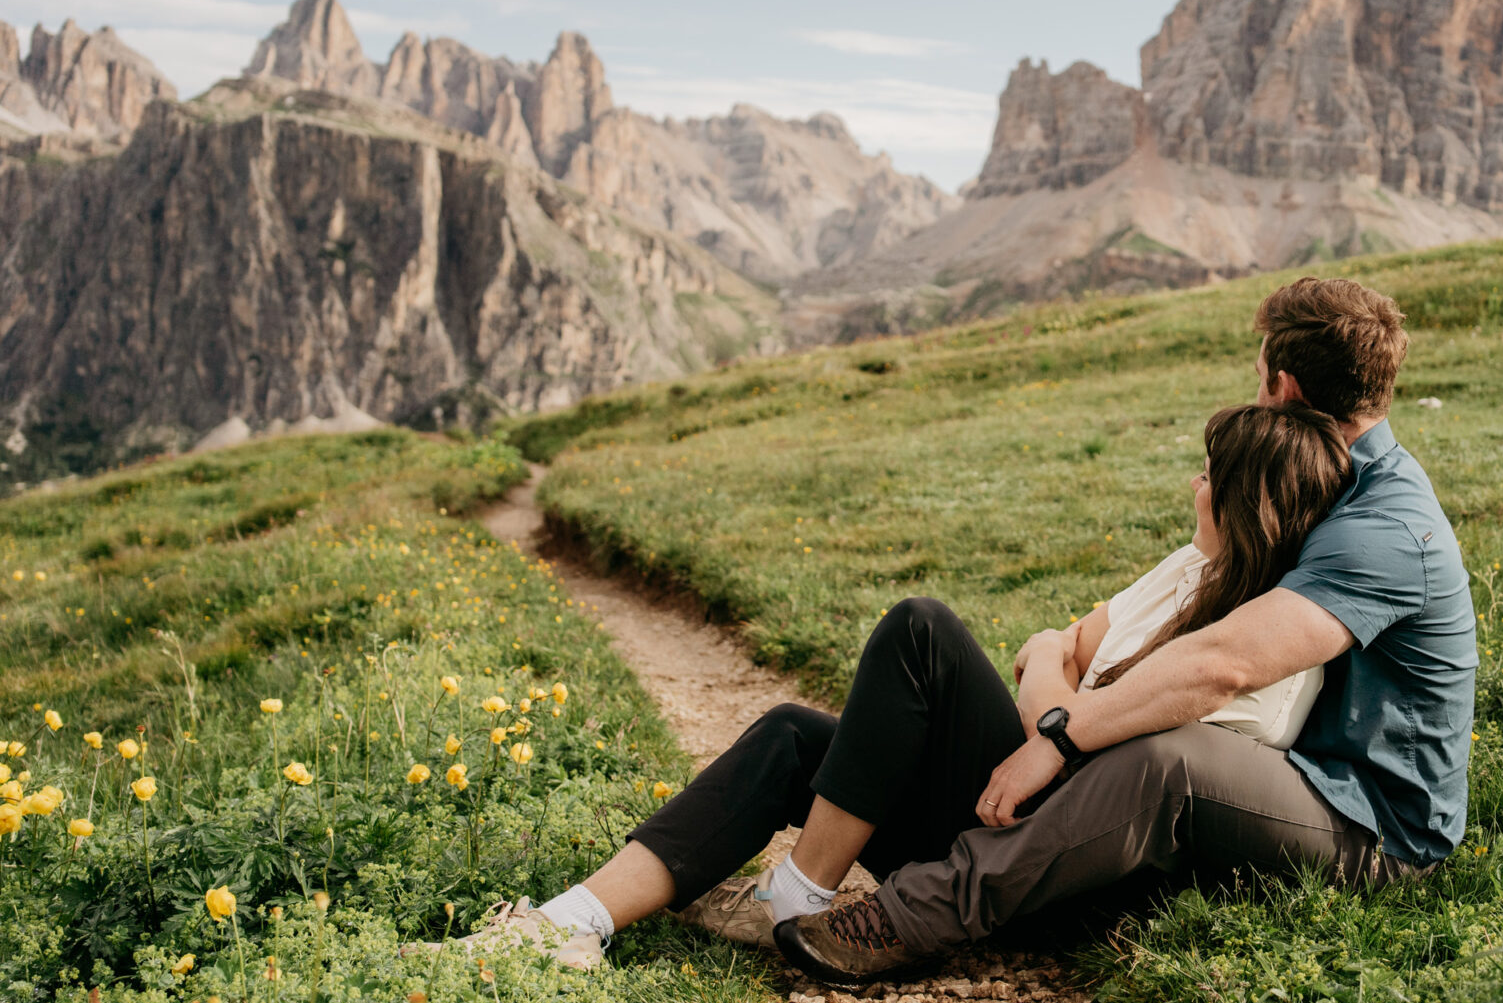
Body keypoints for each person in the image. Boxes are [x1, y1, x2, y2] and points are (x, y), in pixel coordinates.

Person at [421, 394, 1357, 972]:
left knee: (922, 629)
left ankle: (795, 897)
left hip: (1056, 870)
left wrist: (1056, 732)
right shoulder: (1188, 570)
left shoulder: (1270, 644)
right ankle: (570, 921)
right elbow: (1050, 648)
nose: (1191, 485)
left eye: (1206, 475)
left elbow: (1149, 767)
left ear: (1244, 501)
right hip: (1028, 793)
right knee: (796, 732)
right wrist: (1053, 729)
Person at [774, 278, 1477, 984]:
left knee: (1170, 758)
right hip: (1291, 777)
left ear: (1286, 388)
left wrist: (1056, 734)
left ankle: (911, 914)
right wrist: (1063, 681)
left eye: (1257, 379)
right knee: (1139, 732)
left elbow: (1225, 664)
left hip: (1372, 829)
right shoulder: (1323, 483)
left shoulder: (1382, 527)